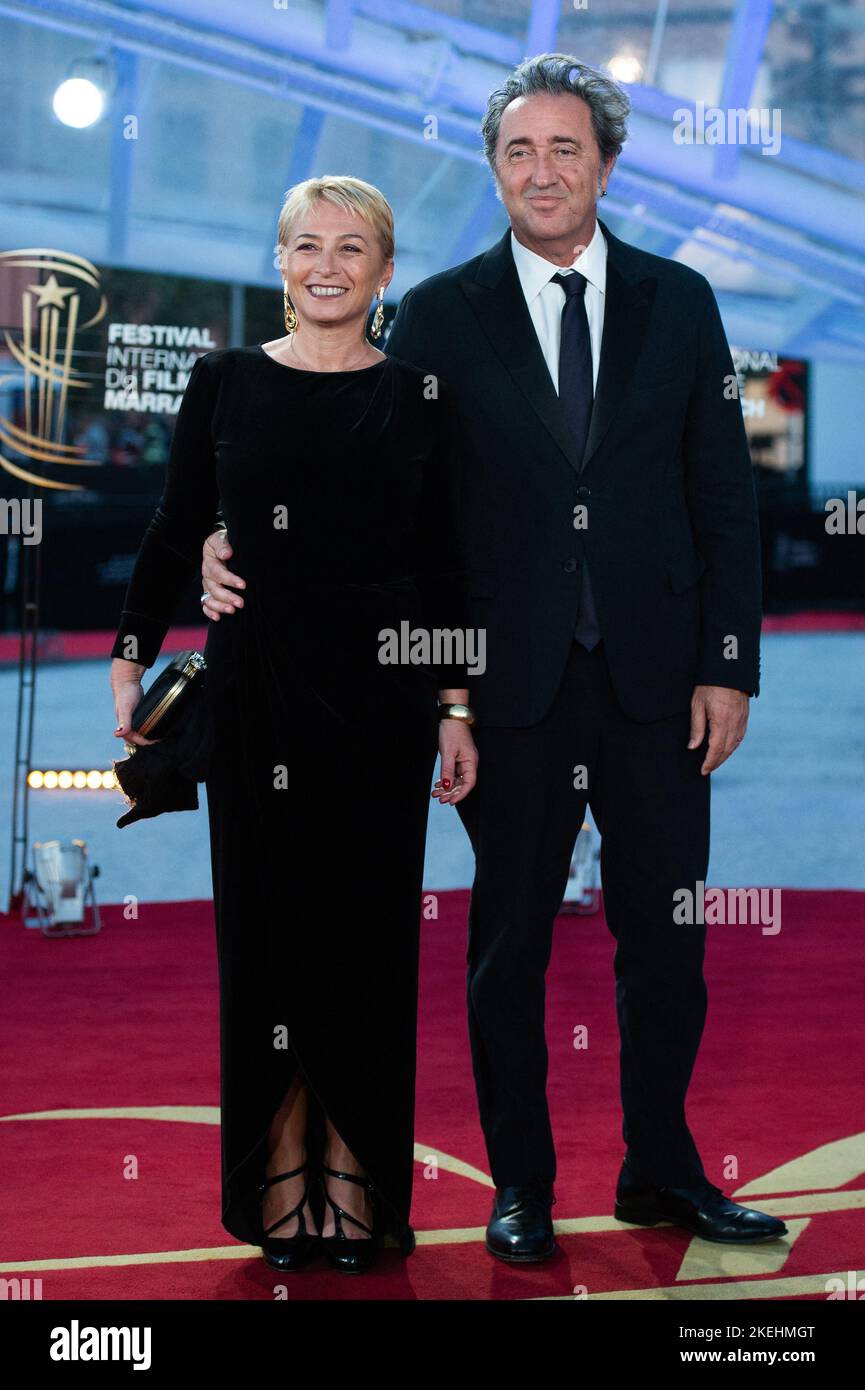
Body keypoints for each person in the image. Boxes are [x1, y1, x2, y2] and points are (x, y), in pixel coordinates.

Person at [201, 56, 788, 1262]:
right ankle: (519, 1181)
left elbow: (722, 497)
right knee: (507, 942)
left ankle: (662, 1171)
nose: (541, 171)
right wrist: (227, 532)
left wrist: (728, 664)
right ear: (493, 167)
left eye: (565, 150)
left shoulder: (682, 304)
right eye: (518, 152)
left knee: (666, 937)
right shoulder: (441, 313)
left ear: (607, 165)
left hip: (658, 683)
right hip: (504, 684)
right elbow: (372, 491)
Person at [109, 175, 477, 1274]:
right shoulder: (222, 381)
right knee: (264, 950)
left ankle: (356, 1195)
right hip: (259, 699)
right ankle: (282, 1191)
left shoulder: (420, 396)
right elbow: (177, 527)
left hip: (377, 707)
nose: (328, 263)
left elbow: (441, 564)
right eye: (306, 244)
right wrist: (132, 652)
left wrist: (456, 704)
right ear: (277, 261)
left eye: (352, 246)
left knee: (364, 950)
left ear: (384, 271)